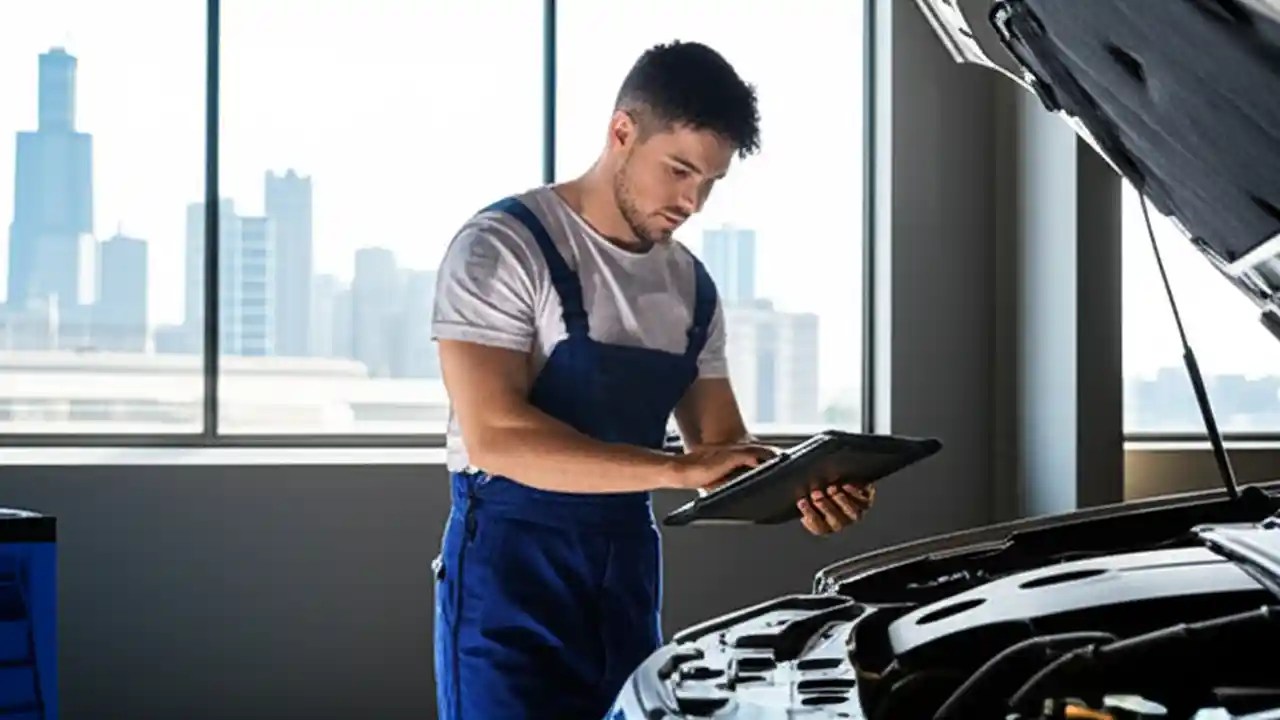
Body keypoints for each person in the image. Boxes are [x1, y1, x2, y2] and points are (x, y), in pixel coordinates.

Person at [429, 39, 877, 720]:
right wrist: (675, 470)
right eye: (678, 170)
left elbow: (721, 443)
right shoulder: (503, 247)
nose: (693, 200)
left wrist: (801, 487)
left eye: (711, 181)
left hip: (625, 575)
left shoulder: (691, 286)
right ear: (621, 132)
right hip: (508, 572)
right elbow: (498, 437)